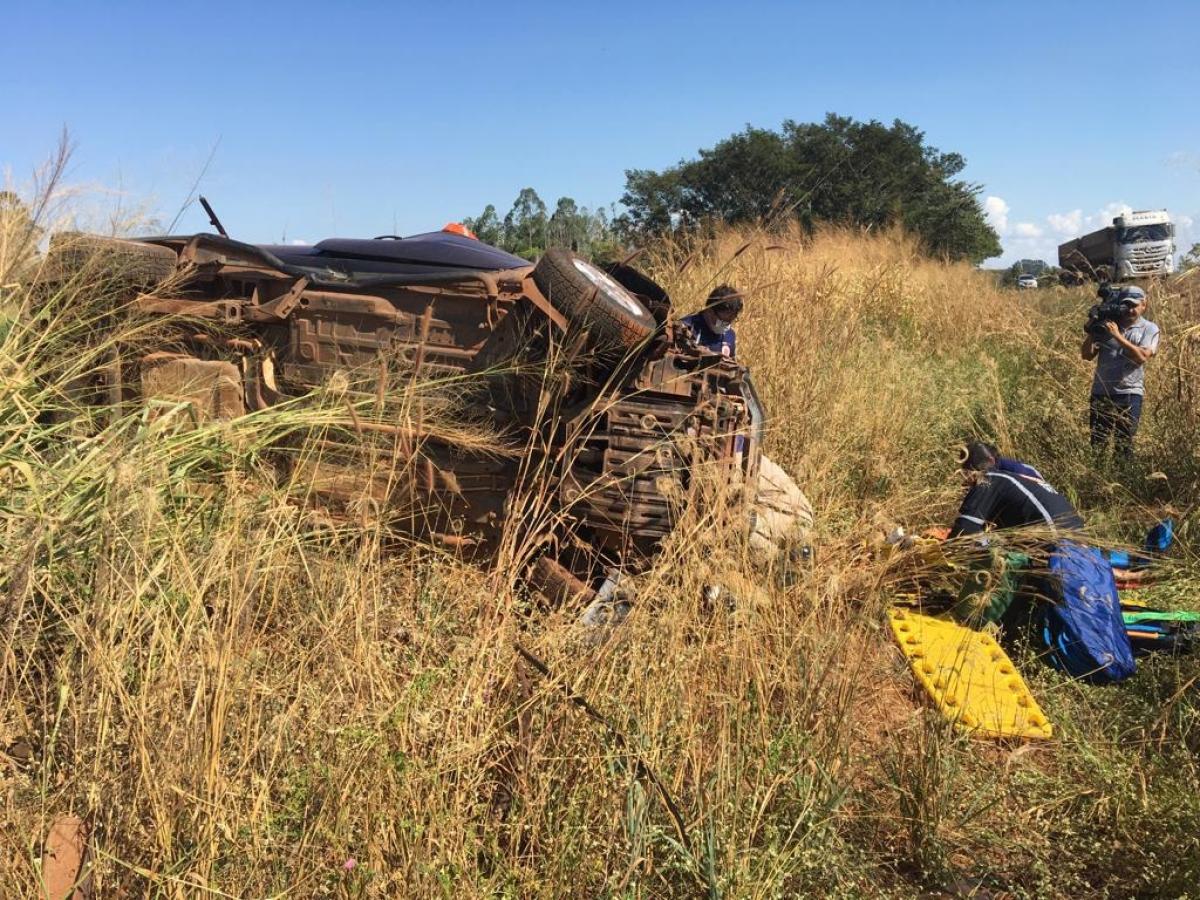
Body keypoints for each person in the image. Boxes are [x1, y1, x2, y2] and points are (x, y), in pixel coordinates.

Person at [1081, 285, 1159, 457]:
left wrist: (1117, 336)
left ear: (1144, 305)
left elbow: (1141, 357)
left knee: (1124, 446)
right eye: (1126, 305)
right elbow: (1086, 355)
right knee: (1098, 446)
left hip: (1129, 394)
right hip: (1101, 393)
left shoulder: (1149, 328)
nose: (1130, 310)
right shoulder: (1109, 325)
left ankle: (1122, 481)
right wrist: (1093, 329)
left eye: (1134, 305)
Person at [949, 442, 1083, 538]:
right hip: (1076, 533)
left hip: (1058, 541)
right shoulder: (1010, 476)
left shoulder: (989, 479)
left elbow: (965, 530)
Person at [681, 285, 743, 358]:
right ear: (710, 311)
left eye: (731, 320)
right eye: (723, 321)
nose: (727, 325)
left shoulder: (729, 336)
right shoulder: (686, 327)